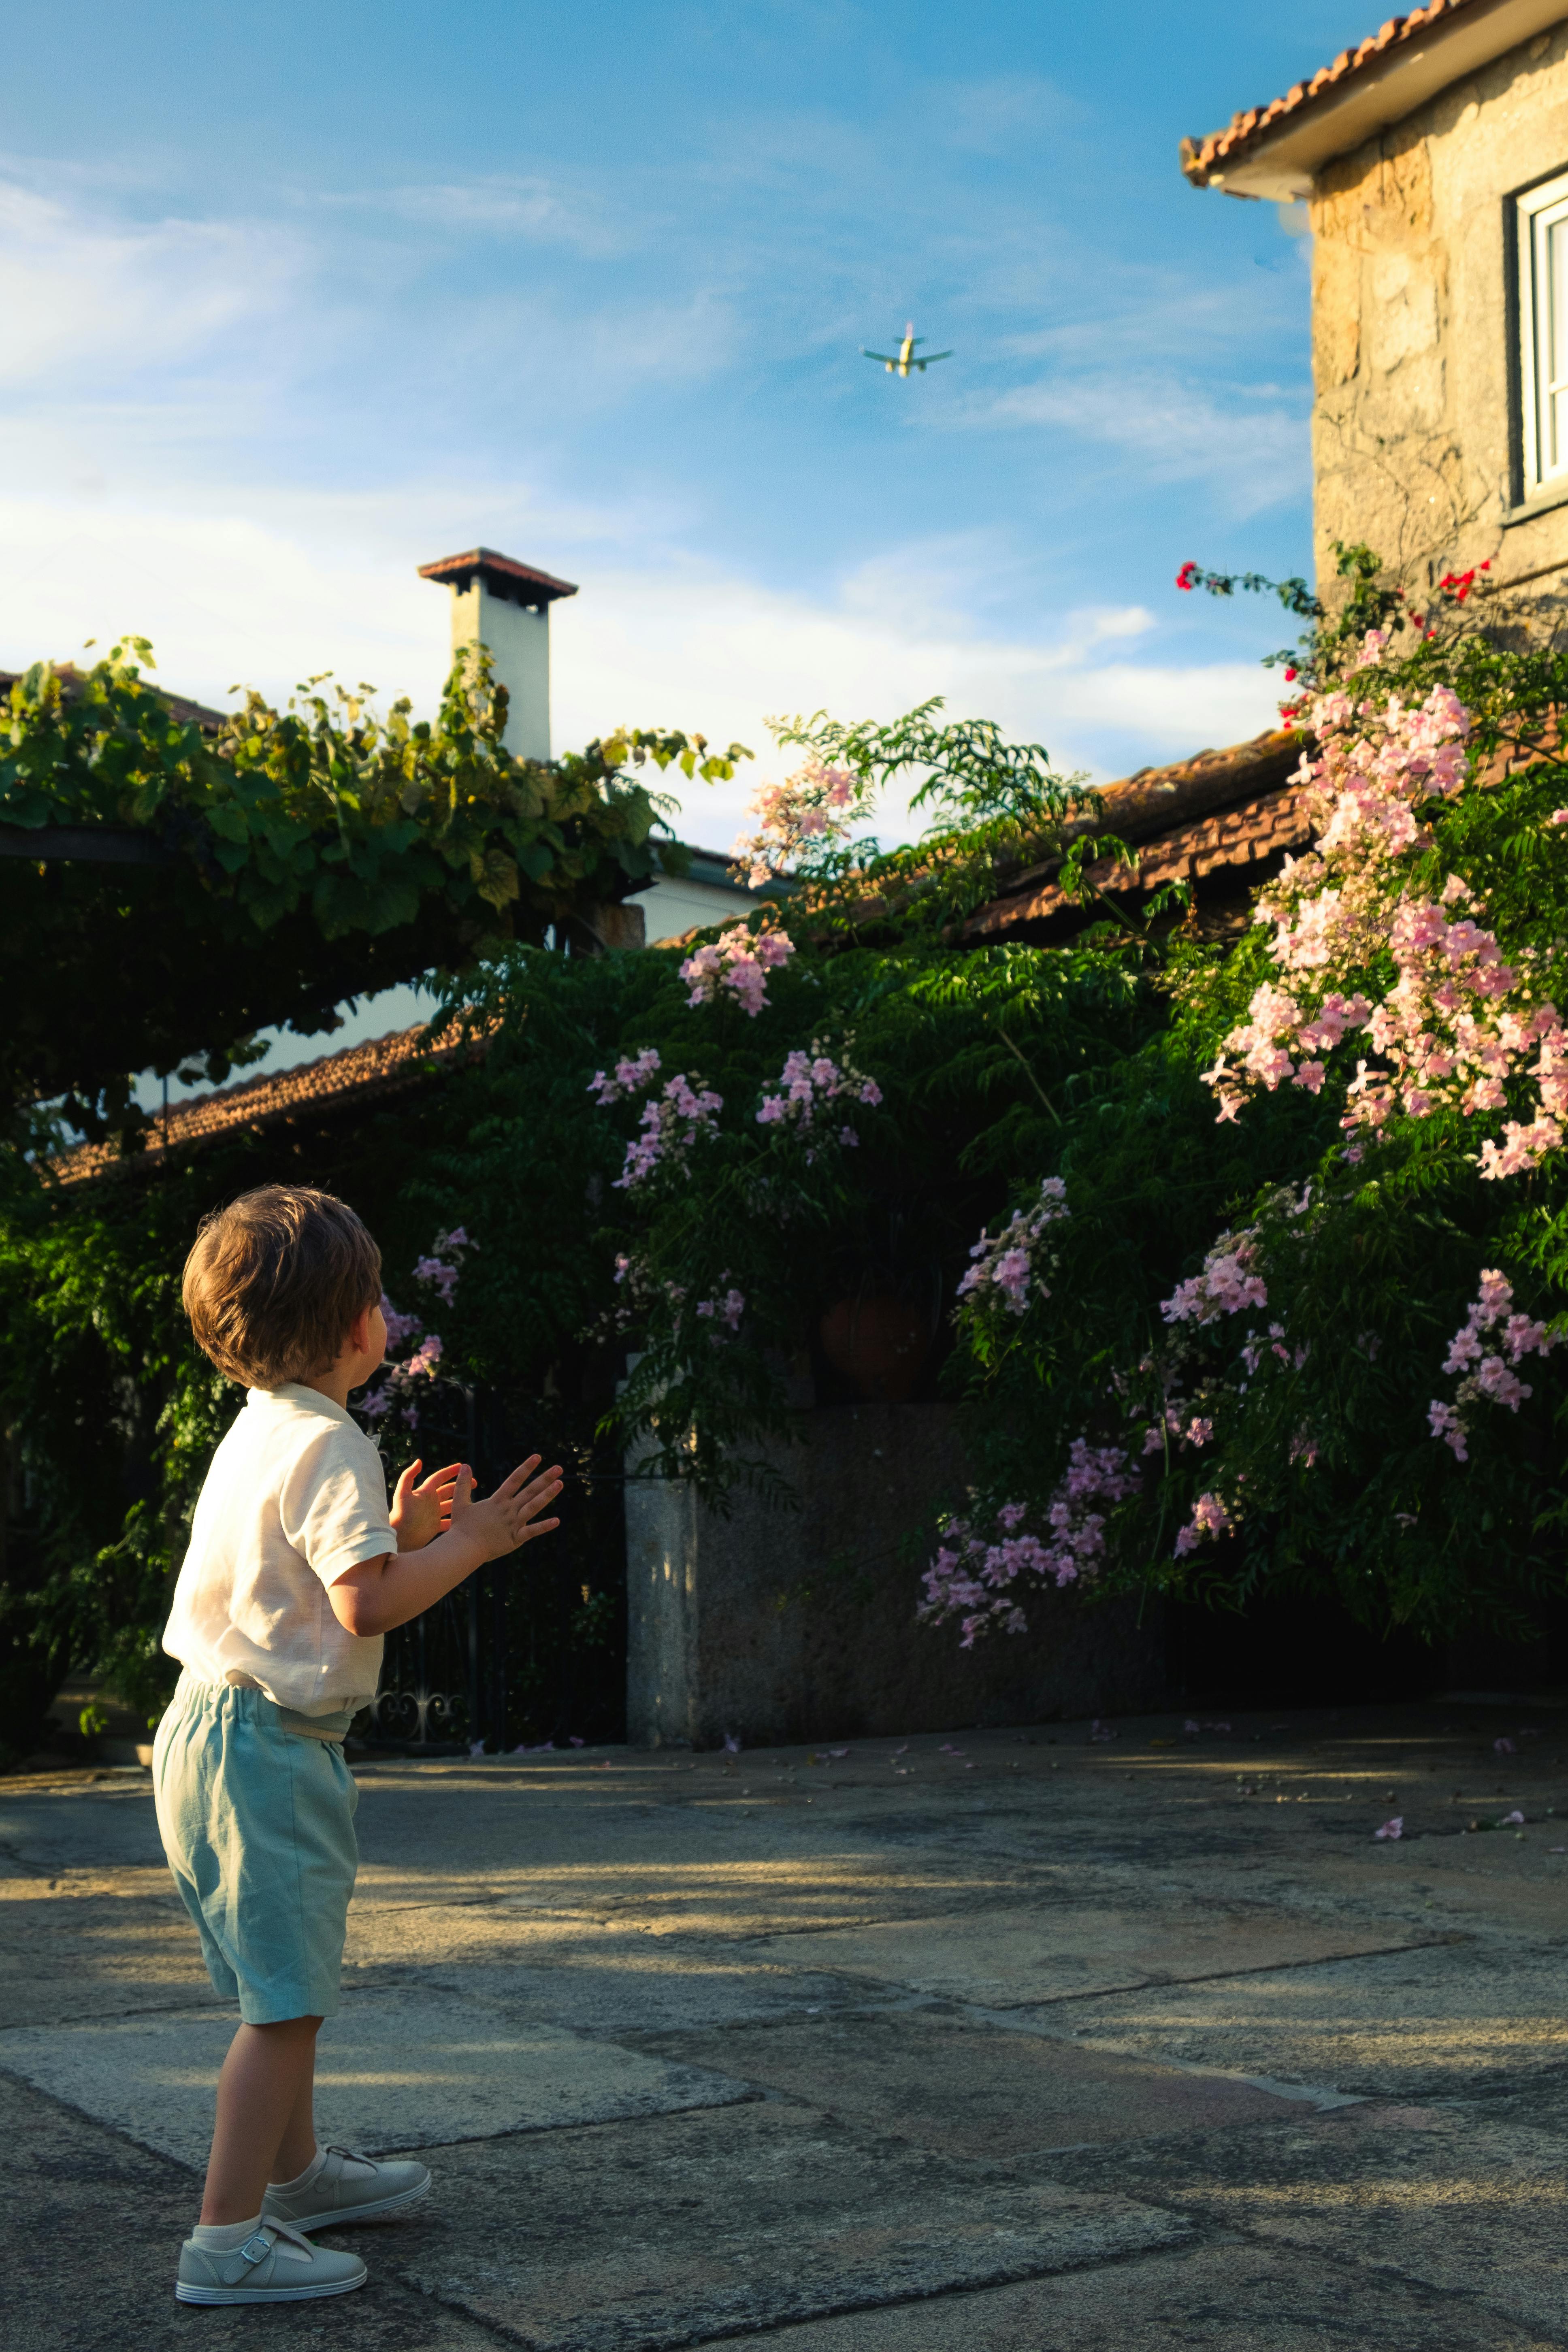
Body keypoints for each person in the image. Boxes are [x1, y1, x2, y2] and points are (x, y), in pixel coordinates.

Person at [153, 1183, 562, 2306]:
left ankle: (297, 2179)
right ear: (349, 1325)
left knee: (279, 1979)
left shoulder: (265, 1430)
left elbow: (323, 1573)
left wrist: (411, 1533)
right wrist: (471, 1544)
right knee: (285, 2005)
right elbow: (364, 1609)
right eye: (376, 1294)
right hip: (269, 1748)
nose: (387, 1310)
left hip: (204, 1731)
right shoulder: (332, 1440)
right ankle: (225, 2240)